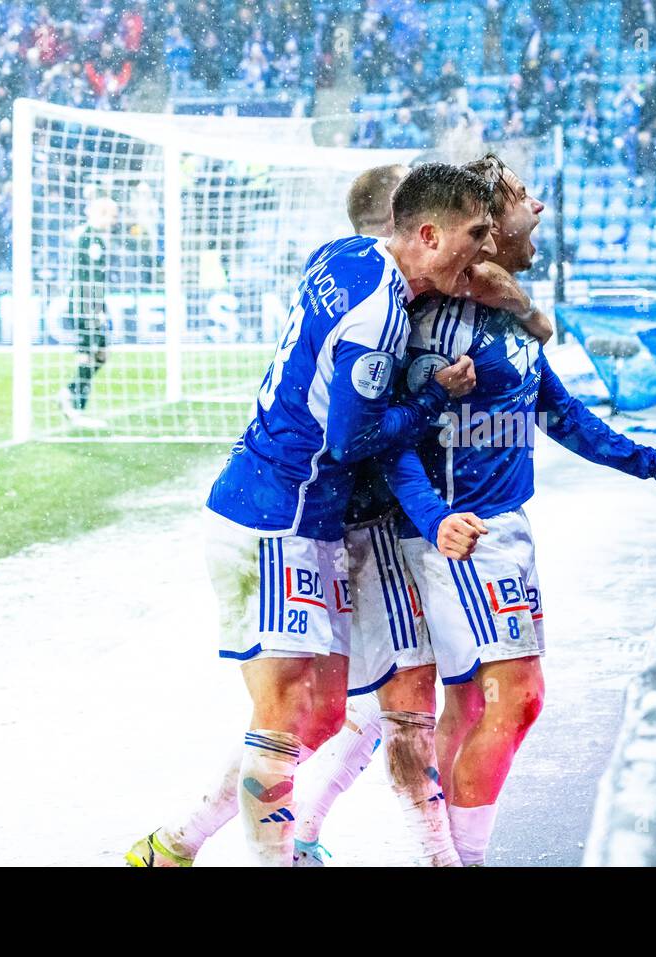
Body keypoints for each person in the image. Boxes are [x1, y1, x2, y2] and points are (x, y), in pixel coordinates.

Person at [377, 154, 656, 866]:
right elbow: (395, 440)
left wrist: (652, 460)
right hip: (463, 536)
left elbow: (557, 411)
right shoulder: (444, 319)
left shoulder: (504, 311)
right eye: (521, 200)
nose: (537, 209)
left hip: (497, 527)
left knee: (471, 705)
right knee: (521, 696)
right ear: (484, 229)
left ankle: (440, 857)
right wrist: (433, 519)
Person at [141, 163, 496, 868]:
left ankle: (173, 845)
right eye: (473, 234)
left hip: (295, 517)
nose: (480, 249)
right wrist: (431, 400)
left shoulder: (348, 254)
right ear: (426, 234)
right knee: (287, 711)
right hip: (276, 516)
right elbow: (352, 439)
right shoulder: (383, 319)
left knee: (323, 711)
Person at [58, 196, 118, 428]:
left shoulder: (91, 238)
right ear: (101, 213)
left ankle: (70, 394)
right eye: (112, 216)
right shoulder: (90, 239)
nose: (114, 221)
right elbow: (87, 278)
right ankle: (75, 407)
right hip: (85, 305)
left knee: (100, 354)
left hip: (90, 304)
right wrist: (94, 309)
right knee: (87, 354)